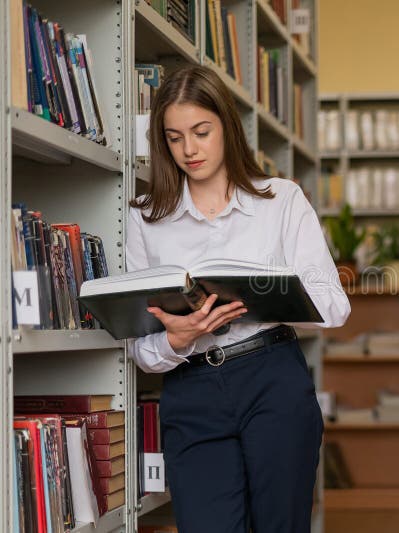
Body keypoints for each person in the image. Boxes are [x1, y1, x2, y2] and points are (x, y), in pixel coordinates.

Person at [127, 65, 350, 532]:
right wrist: (177, 339)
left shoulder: (280, 199)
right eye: (173, 137)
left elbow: (334, 306)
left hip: (272, 377)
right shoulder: (145, 219)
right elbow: (142, 351)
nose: (189, 149)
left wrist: (268, 295)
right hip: (192, 390)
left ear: (227, 125)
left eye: (201, 132)